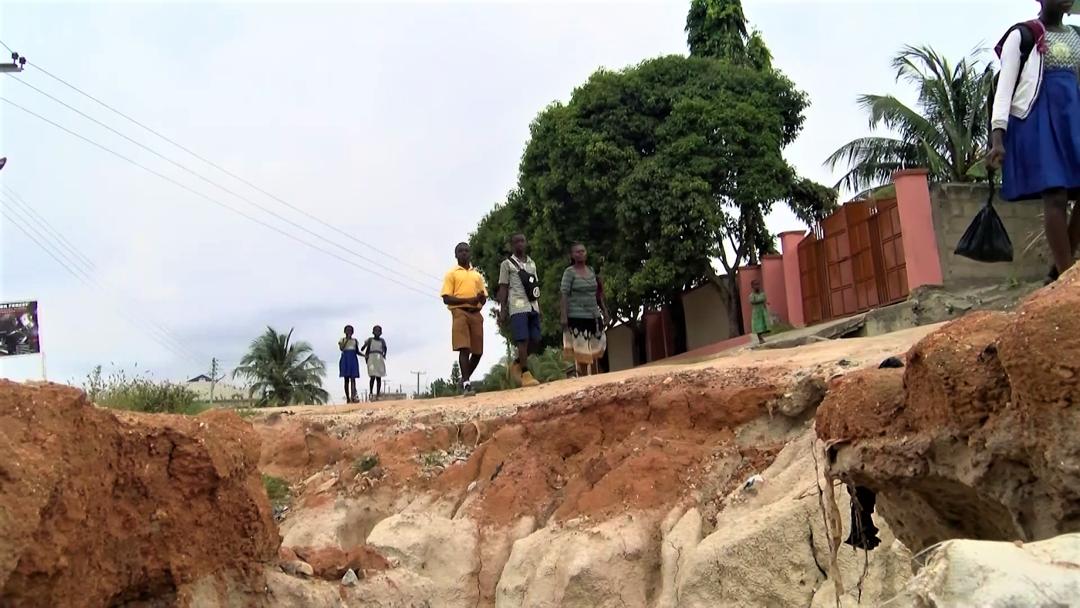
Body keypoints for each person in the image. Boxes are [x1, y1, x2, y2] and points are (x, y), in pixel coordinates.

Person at [988, 0, 1080, 282]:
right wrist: (998, 137)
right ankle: (1067, 277)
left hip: (1072, 120)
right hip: (1037, 122)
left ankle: (1057, 270)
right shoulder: (1023, 34)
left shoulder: (1077, 36)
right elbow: (1004, 89)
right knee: (1055, 195)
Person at [441, 242, 486, 396]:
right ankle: (467, 384)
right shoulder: (451, 274)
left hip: (475, 313)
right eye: (460, 251)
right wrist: (468, 300)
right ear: (456, 255)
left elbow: (483, 298)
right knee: (464, 348)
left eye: (466, 250)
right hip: (459, 312)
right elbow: (446, 298)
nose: (464, 253)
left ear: (470, 253)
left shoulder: (476, 275)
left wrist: (480, 299)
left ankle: (463, 379)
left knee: (478, 351)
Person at [497, 233, 542, 388]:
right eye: (516, 242)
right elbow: (503, 287)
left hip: (533, 305)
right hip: (517, 306)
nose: (520, 244)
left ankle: (517, 363)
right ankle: (525, 374)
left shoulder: (532, 263)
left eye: (522, 241)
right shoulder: (506, 264)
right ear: (512, 245)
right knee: (522, 339)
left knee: (536, 339)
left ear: (526, 243)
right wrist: (502, 310)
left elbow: (535, 286)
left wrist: (539, 307)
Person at [560, 243, 610, 377]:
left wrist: (605, 312)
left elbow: (598, 294)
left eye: (583, 251)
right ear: (572, 255)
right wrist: (564, 316)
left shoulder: (591, 271)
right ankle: (584, 379)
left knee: (596, 348)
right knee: (582, 351)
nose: (580, 254)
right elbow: (564, 294)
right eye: (577, 252)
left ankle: (594, 377)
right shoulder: (569, 272)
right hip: (577, 316)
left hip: (593, 315)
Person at [360, 325, 388, 401]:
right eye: (376, 331)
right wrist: (365, 345)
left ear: (381, 332)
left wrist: (384, 354)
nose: (377, 332)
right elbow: (363, 349)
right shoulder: (370, 340)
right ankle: (371, 393)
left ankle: (378, 394)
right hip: (371, 358)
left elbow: (385, 348)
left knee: (379, 377)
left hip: (379, 358)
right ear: (373, 332)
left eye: (379, 331)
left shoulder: (382, 341)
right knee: (372, 377)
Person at [338, 325, 362, 403]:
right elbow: (341, 348)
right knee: (346, 379)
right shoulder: (342, 340)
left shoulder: (355, 341)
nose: (349, 332)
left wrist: (364, 355)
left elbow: (357, 351)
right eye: (347, 330)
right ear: (344, 331)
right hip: (345, 359)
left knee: (353, 379)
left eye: (351, 330)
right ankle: (348, 397)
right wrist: (347, 340)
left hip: (353, 359)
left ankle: (353, 396)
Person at [749, 279, 770, 344]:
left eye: (758, 284)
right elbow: (753, 301)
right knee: (758, 325)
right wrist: (760, 300)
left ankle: (763, 334)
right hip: (756, 312)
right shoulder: (752, 295)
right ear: (752, 286)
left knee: (763, 323)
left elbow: (764, 299)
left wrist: (766, 303)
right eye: (755, 285)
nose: (757, 286)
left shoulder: (762, 294)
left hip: (762, 311)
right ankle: (760, 338)